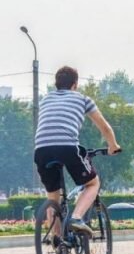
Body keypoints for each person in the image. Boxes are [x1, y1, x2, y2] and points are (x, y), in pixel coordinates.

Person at [34, 66, 120, 238]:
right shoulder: (83, 99)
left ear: (56, 84)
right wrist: (113, 146)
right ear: (75, 84)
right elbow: (104, 127)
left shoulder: (46, 99)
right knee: (93, 183)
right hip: (67, 146)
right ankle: (77, 218)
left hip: (41, 149)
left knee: (53, 199)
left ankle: (57, 240)